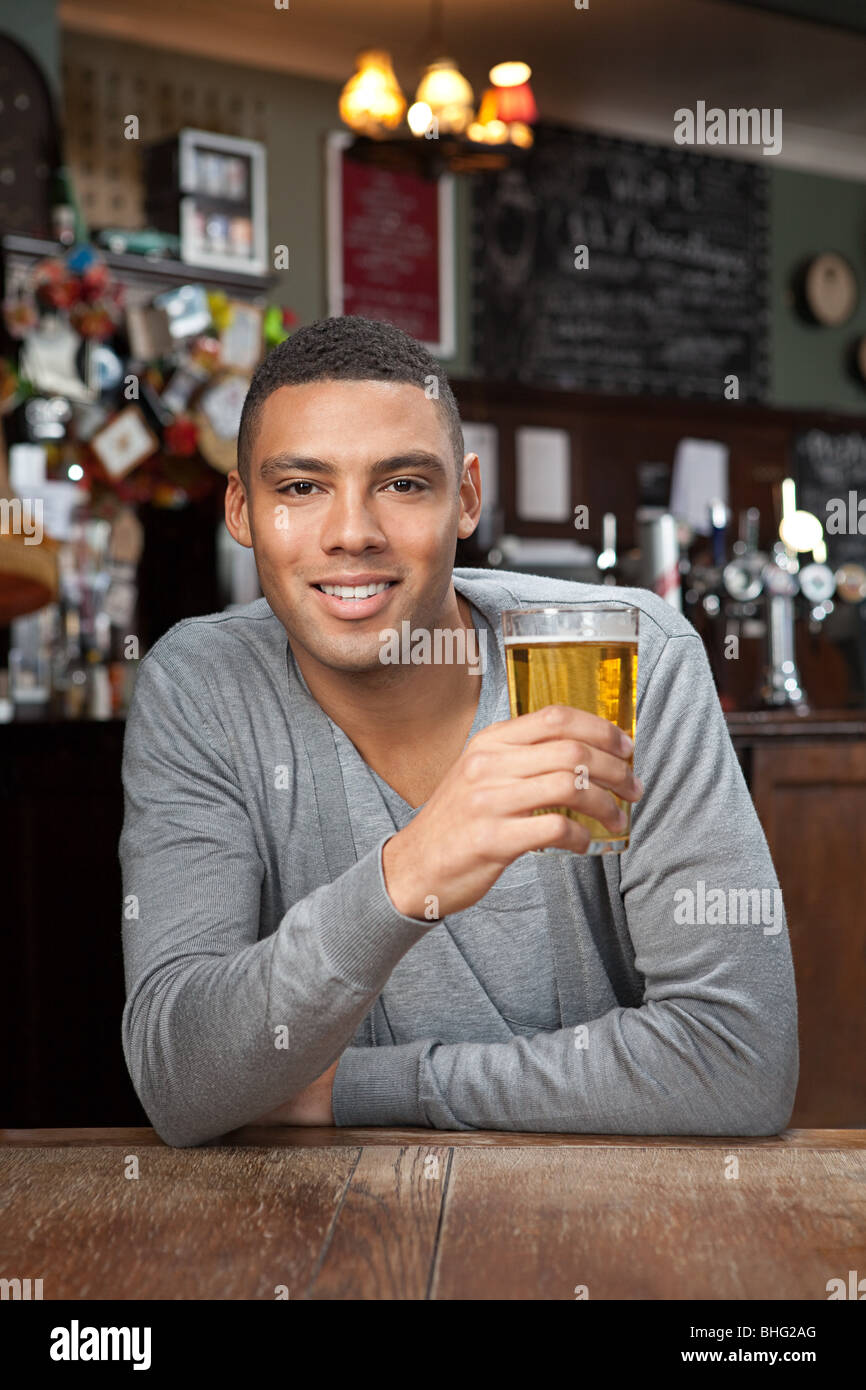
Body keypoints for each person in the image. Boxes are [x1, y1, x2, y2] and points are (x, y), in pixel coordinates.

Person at [119, 315, 798, 1147]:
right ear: (241, 508)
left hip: (612, 1230)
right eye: (301, 487)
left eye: (403, 483)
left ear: (467, 497)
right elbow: (180, 1079)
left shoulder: (631, 656)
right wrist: (405, 876)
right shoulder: (202, 686)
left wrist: (361, 1088)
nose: (352, 531)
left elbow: (740, 1062)